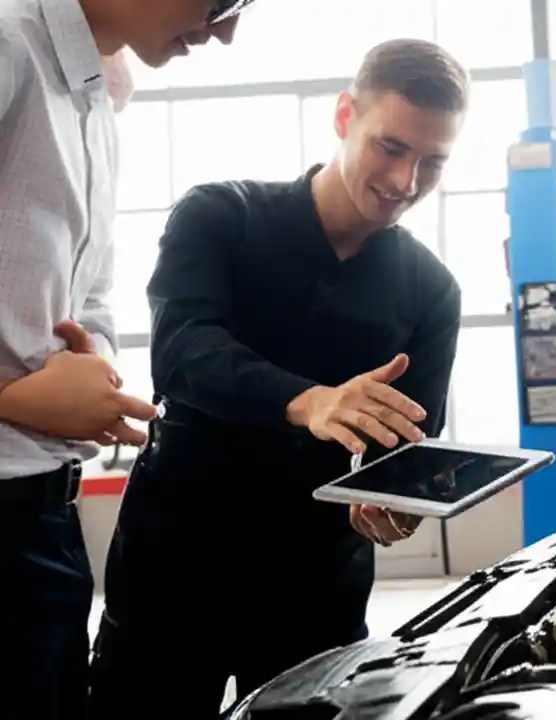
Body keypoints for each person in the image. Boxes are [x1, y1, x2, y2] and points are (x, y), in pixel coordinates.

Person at [87, 38, 468, 717]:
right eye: (391, 148)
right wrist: (309, 401)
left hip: (318, 585)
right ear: (345, 115)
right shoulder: (219, 217)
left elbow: (407, 441)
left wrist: (394, 505)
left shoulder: (431, 289)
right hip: (176, 565)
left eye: (432, 163)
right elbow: (183, 351)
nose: (406, 181)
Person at [0, 1, 250, 718]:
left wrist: (94, 370)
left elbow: (93, 290)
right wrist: (15, 397)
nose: (227, 28)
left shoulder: (93, 101)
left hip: (43, 515)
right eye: (223, 1)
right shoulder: (9, 44)